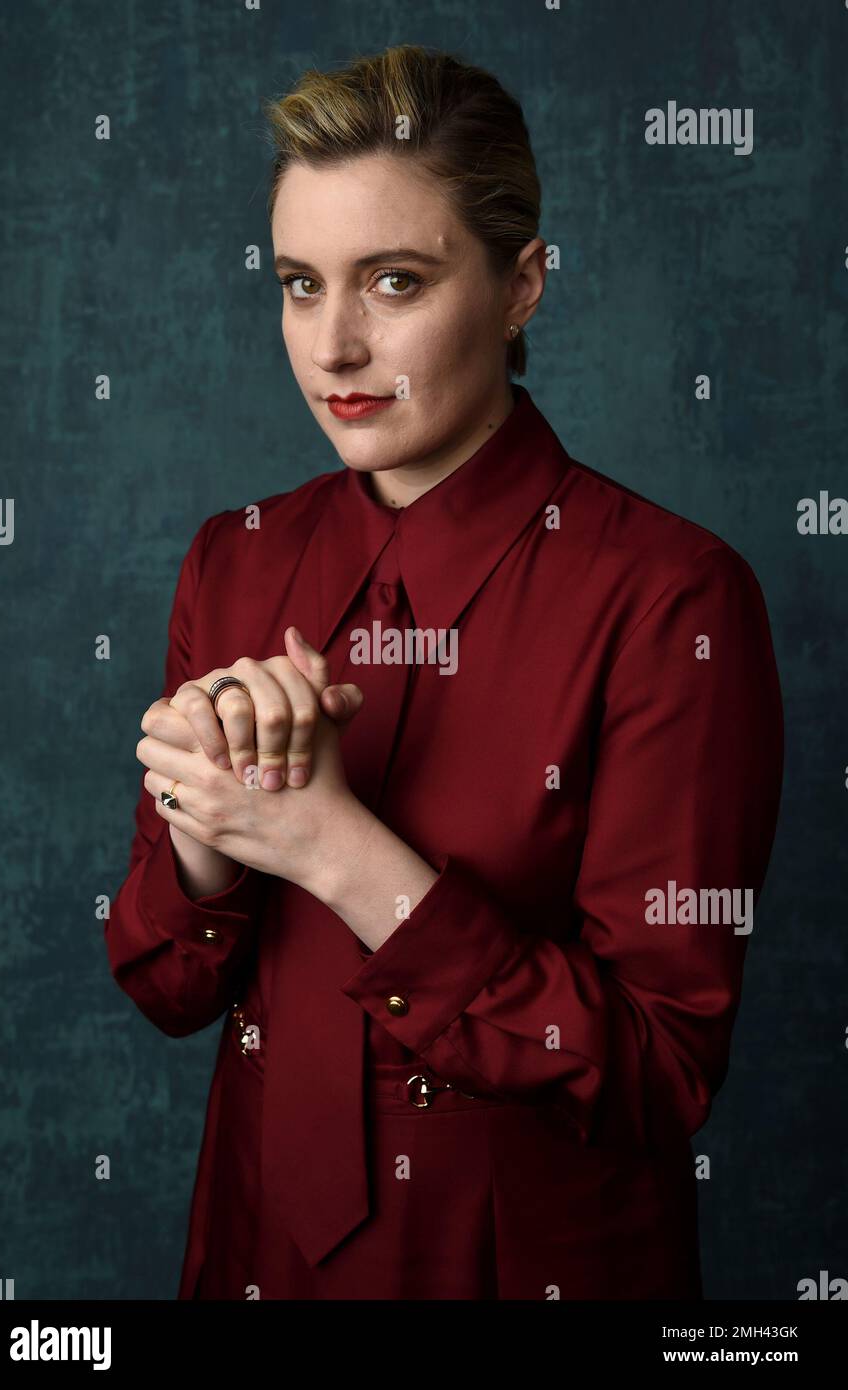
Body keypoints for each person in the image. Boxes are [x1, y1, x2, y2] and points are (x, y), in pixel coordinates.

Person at [105, 43, 783, 1300]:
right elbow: (165, 982)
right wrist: (209, 832)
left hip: (515, 1263)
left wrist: (332, 847)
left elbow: (658, 1069)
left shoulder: (673, 598)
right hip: (251, 1244)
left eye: (395, 282)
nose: (335, 346)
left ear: (522, 286)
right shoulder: (233, 560)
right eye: (301, 285)